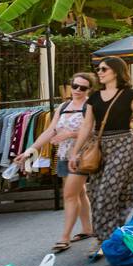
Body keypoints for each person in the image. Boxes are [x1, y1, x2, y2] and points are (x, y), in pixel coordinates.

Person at [71, 56, 133, 257]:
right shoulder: (94, 98)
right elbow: (86, 126)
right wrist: (75, 152)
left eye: (103, 69)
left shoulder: (132, 96)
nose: (99, 72)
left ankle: (103, 239)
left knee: (108, 190)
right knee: (96, 192)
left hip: (123, 144)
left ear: (116, 71)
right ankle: (115, 232)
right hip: (100, 147)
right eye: (98, 69)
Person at [15, 72, 94, 253]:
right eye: (75, 86)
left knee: (69, 195)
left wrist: (69, 134)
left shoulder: (90, 107)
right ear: (70, 86)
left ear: (89, 90)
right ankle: (88, 228)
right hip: (64, 155)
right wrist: (30, 151)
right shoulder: (63, 106)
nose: (78, 90)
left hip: (81, 155)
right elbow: (50, 131)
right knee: (79, 192)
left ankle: (64, 237)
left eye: (83, 88)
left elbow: (93, 132)